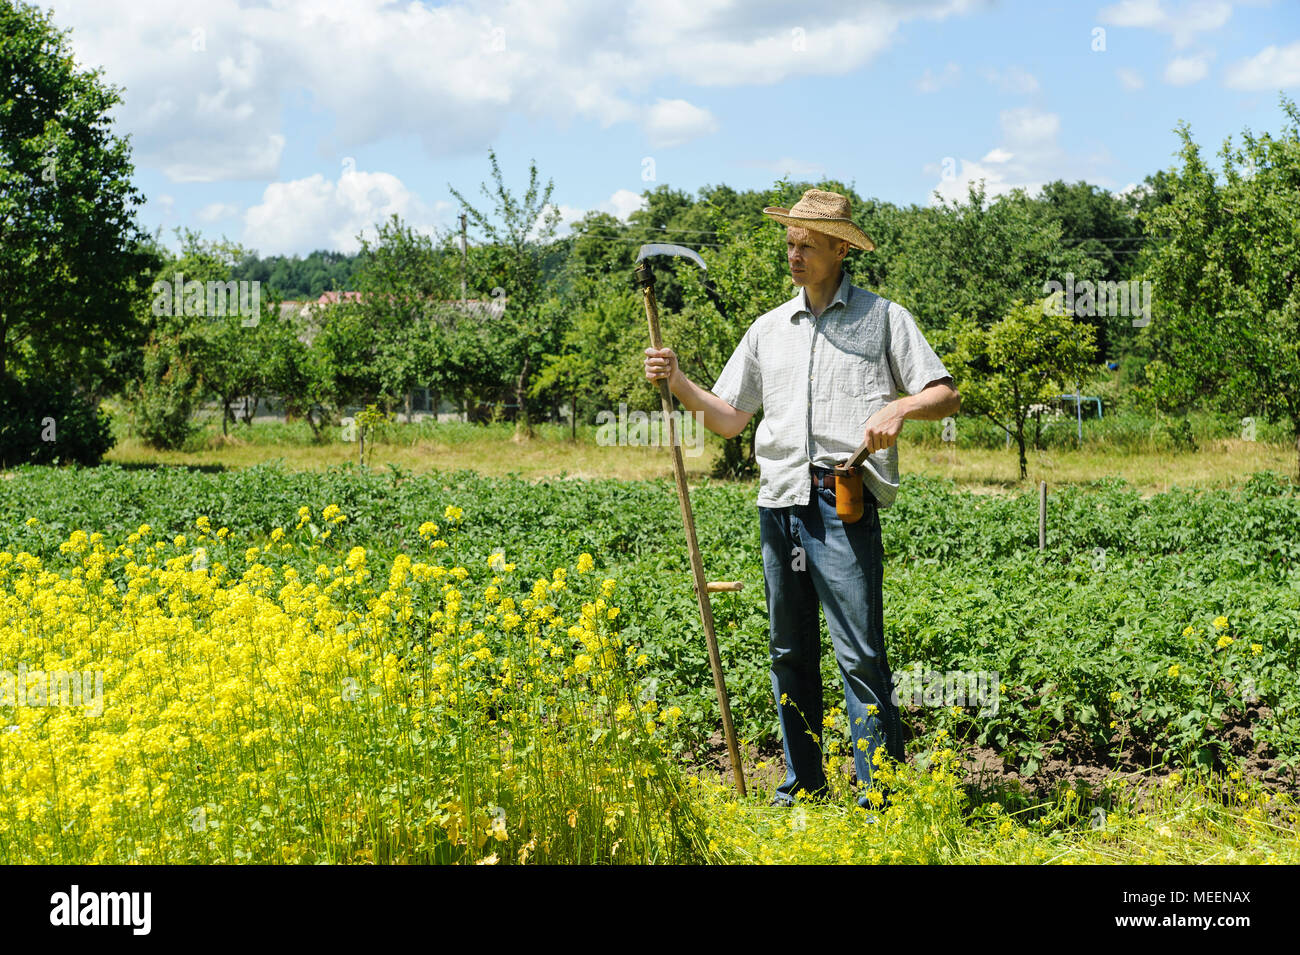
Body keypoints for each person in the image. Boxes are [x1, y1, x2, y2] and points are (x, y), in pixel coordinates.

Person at [643, 188, 960, 813]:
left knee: (860, 653)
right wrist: (676, 380)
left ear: (841, 248)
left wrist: (900, 406)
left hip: (841, 502)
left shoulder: (883, 320)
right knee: (789, 652)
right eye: (789, 242)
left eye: (807, 244)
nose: (794, 254)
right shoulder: (768, 330)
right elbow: (731, 419)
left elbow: (946, 395)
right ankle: (802, 787)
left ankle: (880, 798)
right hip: (780, 503)